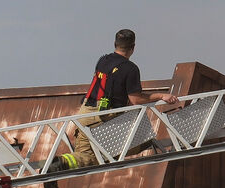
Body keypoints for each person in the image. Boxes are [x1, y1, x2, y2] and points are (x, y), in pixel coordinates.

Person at [61, 28, 163, 168]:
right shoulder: (130, 69)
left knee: (83, 159)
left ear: (115, 44)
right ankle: (60, 163)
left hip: (84, 117)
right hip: (101, 121)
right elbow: (136, 100)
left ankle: (58, 163)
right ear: (133, 47)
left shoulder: (103, 60)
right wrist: (161, 96)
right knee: (139, 144)